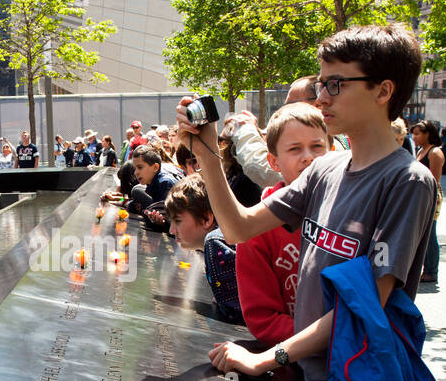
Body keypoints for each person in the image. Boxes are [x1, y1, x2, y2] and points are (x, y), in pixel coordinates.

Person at [179, 23, 437, 381]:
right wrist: (206, 151)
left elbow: (361, 307)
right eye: (321, 84)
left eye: (336, 84)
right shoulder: (324, 169)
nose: (321, 99)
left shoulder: (407, 181)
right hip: (308, 378)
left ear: (383, 90)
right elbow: (237, 228)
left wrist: (267, 359)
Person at [231, 104, 330, 347]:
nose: (308, 156)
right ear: (274, 162)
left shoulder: (351, 212)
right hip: (300, 359)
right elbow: (263, 319)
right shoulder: (257, 230)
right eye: (295, 149)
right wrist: (326, 341)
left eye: (317, 146)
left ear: (332, 150)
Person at [164, 174, 243, 323]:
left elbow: (235, 311)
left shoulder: (215, 242)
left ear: (207, 219)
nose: (171, 230)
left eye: (178, 221)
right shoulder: (222, 237)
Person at [411, 121, 444, 285]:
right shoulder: (421, 151)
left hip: (430, 197)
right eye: (413, 134)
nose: (414, 137)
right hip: (420, 196)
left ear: (428, 134)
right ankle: (424, 268)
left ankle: (431, 271)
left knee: (430, 234)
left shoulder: (434, 152)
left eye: (417, 134)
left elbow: (434, 181)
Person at [128, 144, 181, 220]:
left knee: (136, 190)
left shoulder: (165, 183)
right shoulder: (153, 178)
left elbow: (167, 217)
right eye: (135, 168)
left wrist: (145, 213)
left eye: (140, 167)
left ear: (155, 167)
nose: (135, 172)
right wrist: (122, 201)